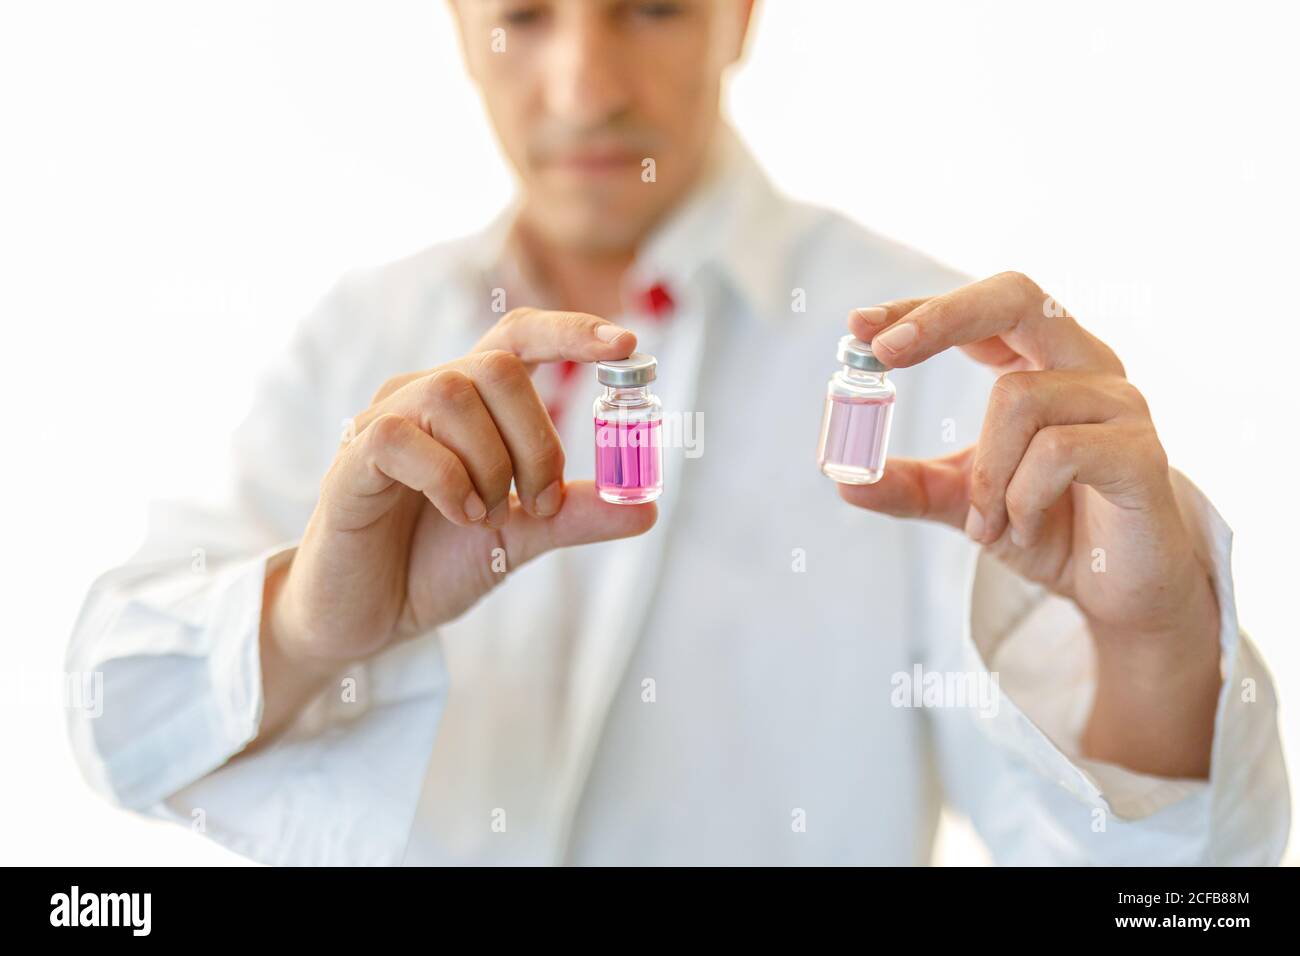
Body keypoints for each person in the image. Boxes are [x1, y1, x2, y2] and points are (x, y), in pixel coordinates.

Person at [66, 0, 1288, 865]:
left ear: (740, 13)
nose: (585, 87)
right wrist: (303, 625)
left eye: (649, 6)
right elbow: (117, 720)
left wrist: (1152, 644)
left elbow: (1164, 892)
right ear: (458, 21)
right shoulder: (361, 340)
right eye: (527, 13)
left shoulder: (934, 359)